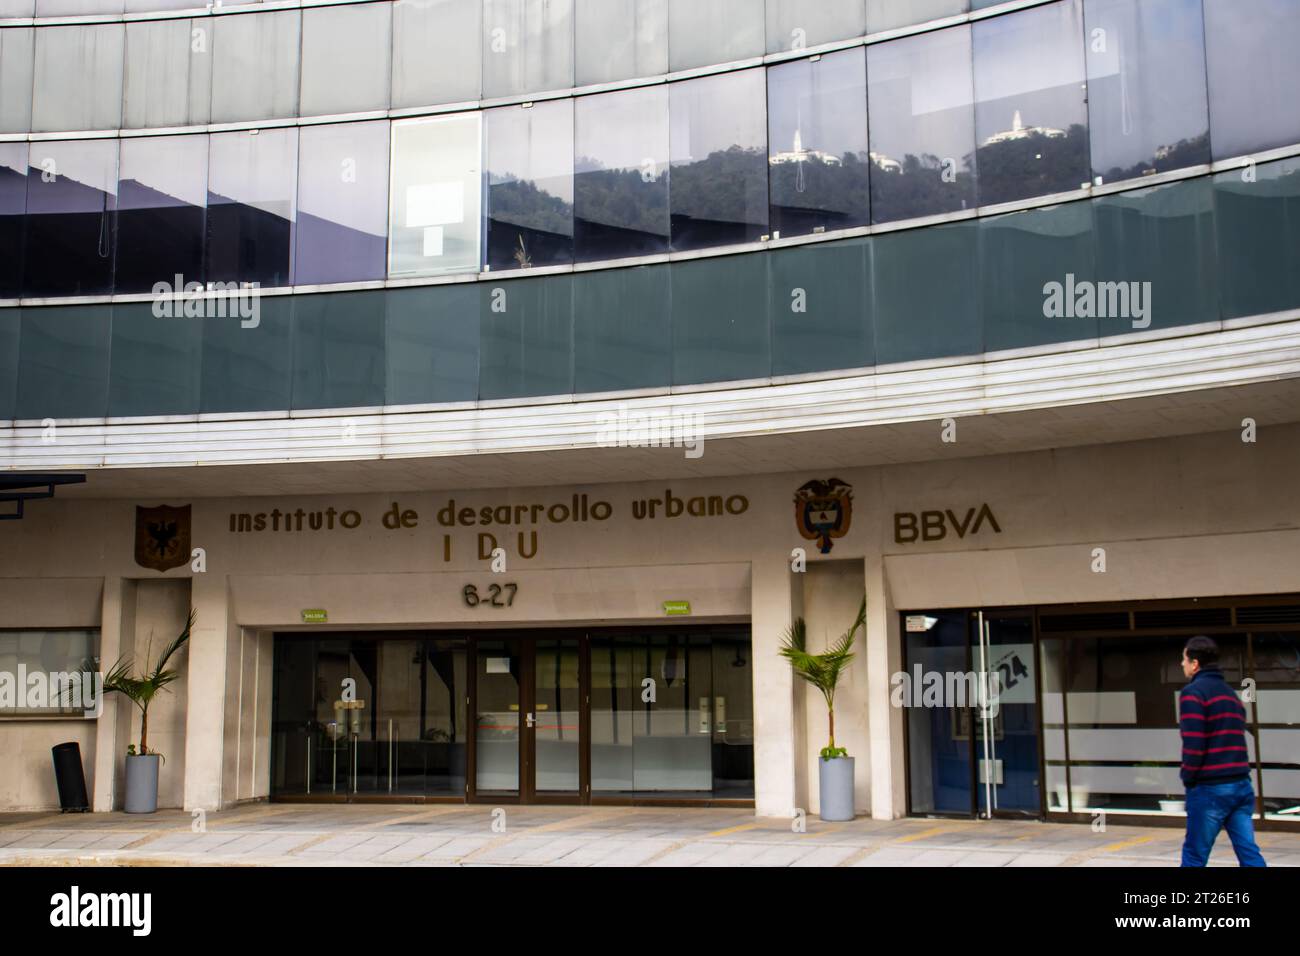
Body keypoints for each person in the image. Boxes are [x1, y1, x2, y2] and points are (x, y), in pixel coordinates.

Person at [1178, 635, 1266, 866]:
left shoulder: (1193, 693)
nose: (1182, 664)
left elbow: (1194, 744)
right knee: (1249, 852)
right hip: (1241, 785)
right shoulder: (1230, 694)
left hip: (1210, 788)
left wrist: (1188, 779)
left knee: (1194, 855)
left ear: (1195, 663)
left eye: (1184, 659)